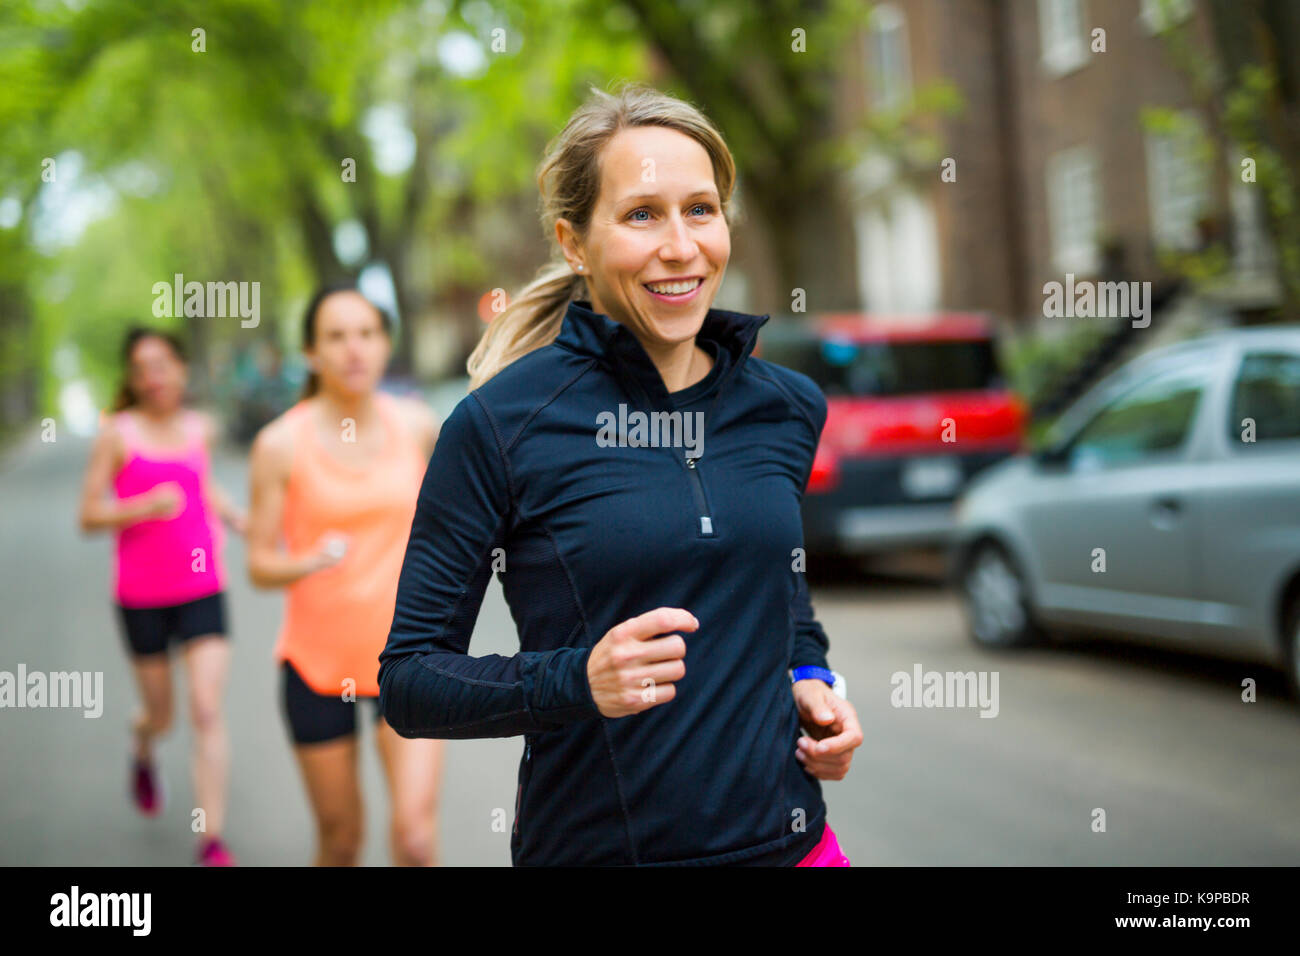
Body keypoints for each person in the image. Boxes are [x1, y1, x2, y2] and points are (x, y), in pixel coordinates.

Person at [379, 83, 861, 866]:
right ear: (575, 242)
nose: (680, 246)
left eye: (700, 210)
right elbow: (410, 680)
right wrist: (577, 680)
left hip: (795, 847)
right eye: (642, 215)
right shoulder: (501, 427)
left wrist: (814, 680)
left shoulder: (786, 407)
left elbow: (779, 589)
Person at [246, 284, 443, 866]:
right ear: (311, 352)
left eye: (367, 333)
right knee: (341, 840)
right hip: (317, 665)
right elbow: (258, 563)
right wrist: (306, 561)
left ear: (385, 344)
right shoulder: (279, 443)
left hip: (412, 660)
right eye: (336, 336)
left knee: (415, 838)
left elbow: (458, 526)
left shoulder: (417, 425)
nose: (354, 349)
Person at [78, 326, 245, 866]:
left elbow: (201, 484)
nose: (154, 377)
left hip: (202, 586)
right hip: (141, 594)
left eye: (163, 364)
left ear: (181, 370)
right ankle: (142, 744)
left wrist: (235, 515)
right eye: (142, 368)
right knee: (163, 715)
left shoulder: (200, 428)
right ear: (132, 379)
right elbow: (88, 514)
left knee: (205, 707)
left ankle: (211, 840)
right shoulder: (118, 435)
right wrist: (143, 506)